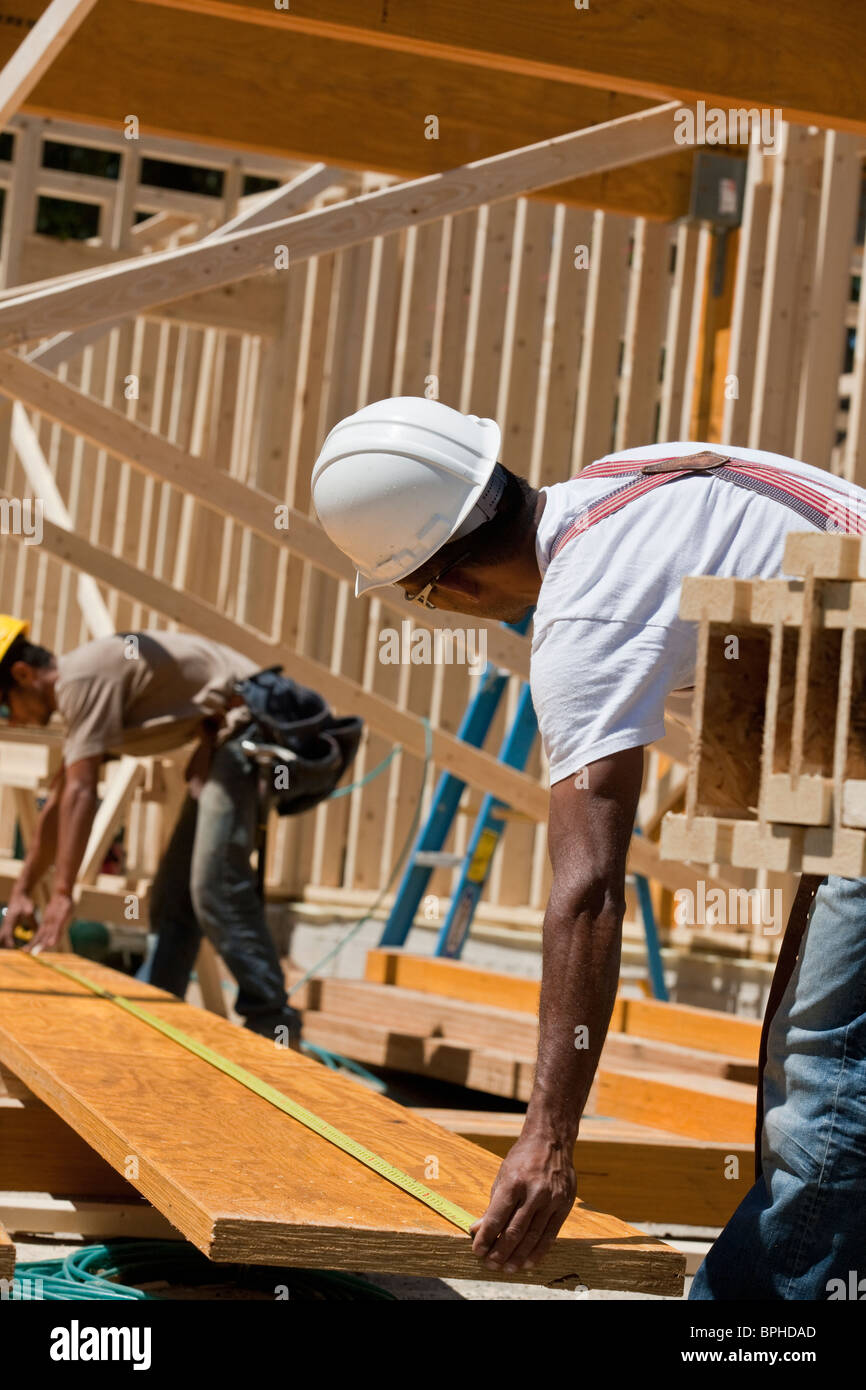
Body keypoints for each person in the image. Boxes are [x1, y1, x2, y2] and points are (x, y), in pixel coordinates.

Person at [311, 395, 866, 1299]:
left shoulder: (586, 616)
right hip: (855, 784)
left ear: (451, 586)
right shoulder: (627, 480)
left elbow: (588, 893)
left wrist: (547, 1137)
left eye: (418, 596)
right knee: (810, 1053)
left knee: (825, 1091)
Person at [0, 622, 301, 1044]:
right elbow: (59, 800)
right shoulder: (81, 688)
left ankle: (274, 1026)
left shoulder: (79, 682)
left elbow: (83, 793)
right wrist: (22, 892)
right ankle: (154, 1019)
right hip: (226, 736)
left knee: (215, 885)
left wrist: (63, 893)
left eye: (5, 707)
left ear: (22, 674)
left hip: (255, 725)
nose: (13, 720)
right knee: (173, 896)